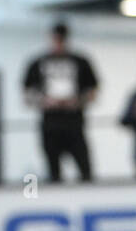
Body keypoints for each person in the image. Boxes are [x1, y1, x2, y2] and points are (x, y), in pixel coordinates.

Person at [21, 21, 98, 182]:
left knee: (85, 169)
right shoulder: (38, 62)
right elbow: (27, 94)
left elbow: (92, 90)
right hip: (50, 124)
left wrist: (77, 102)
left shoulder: (80, 61)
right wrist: (45, 102)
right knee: (53, 172)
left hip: (74, 123)